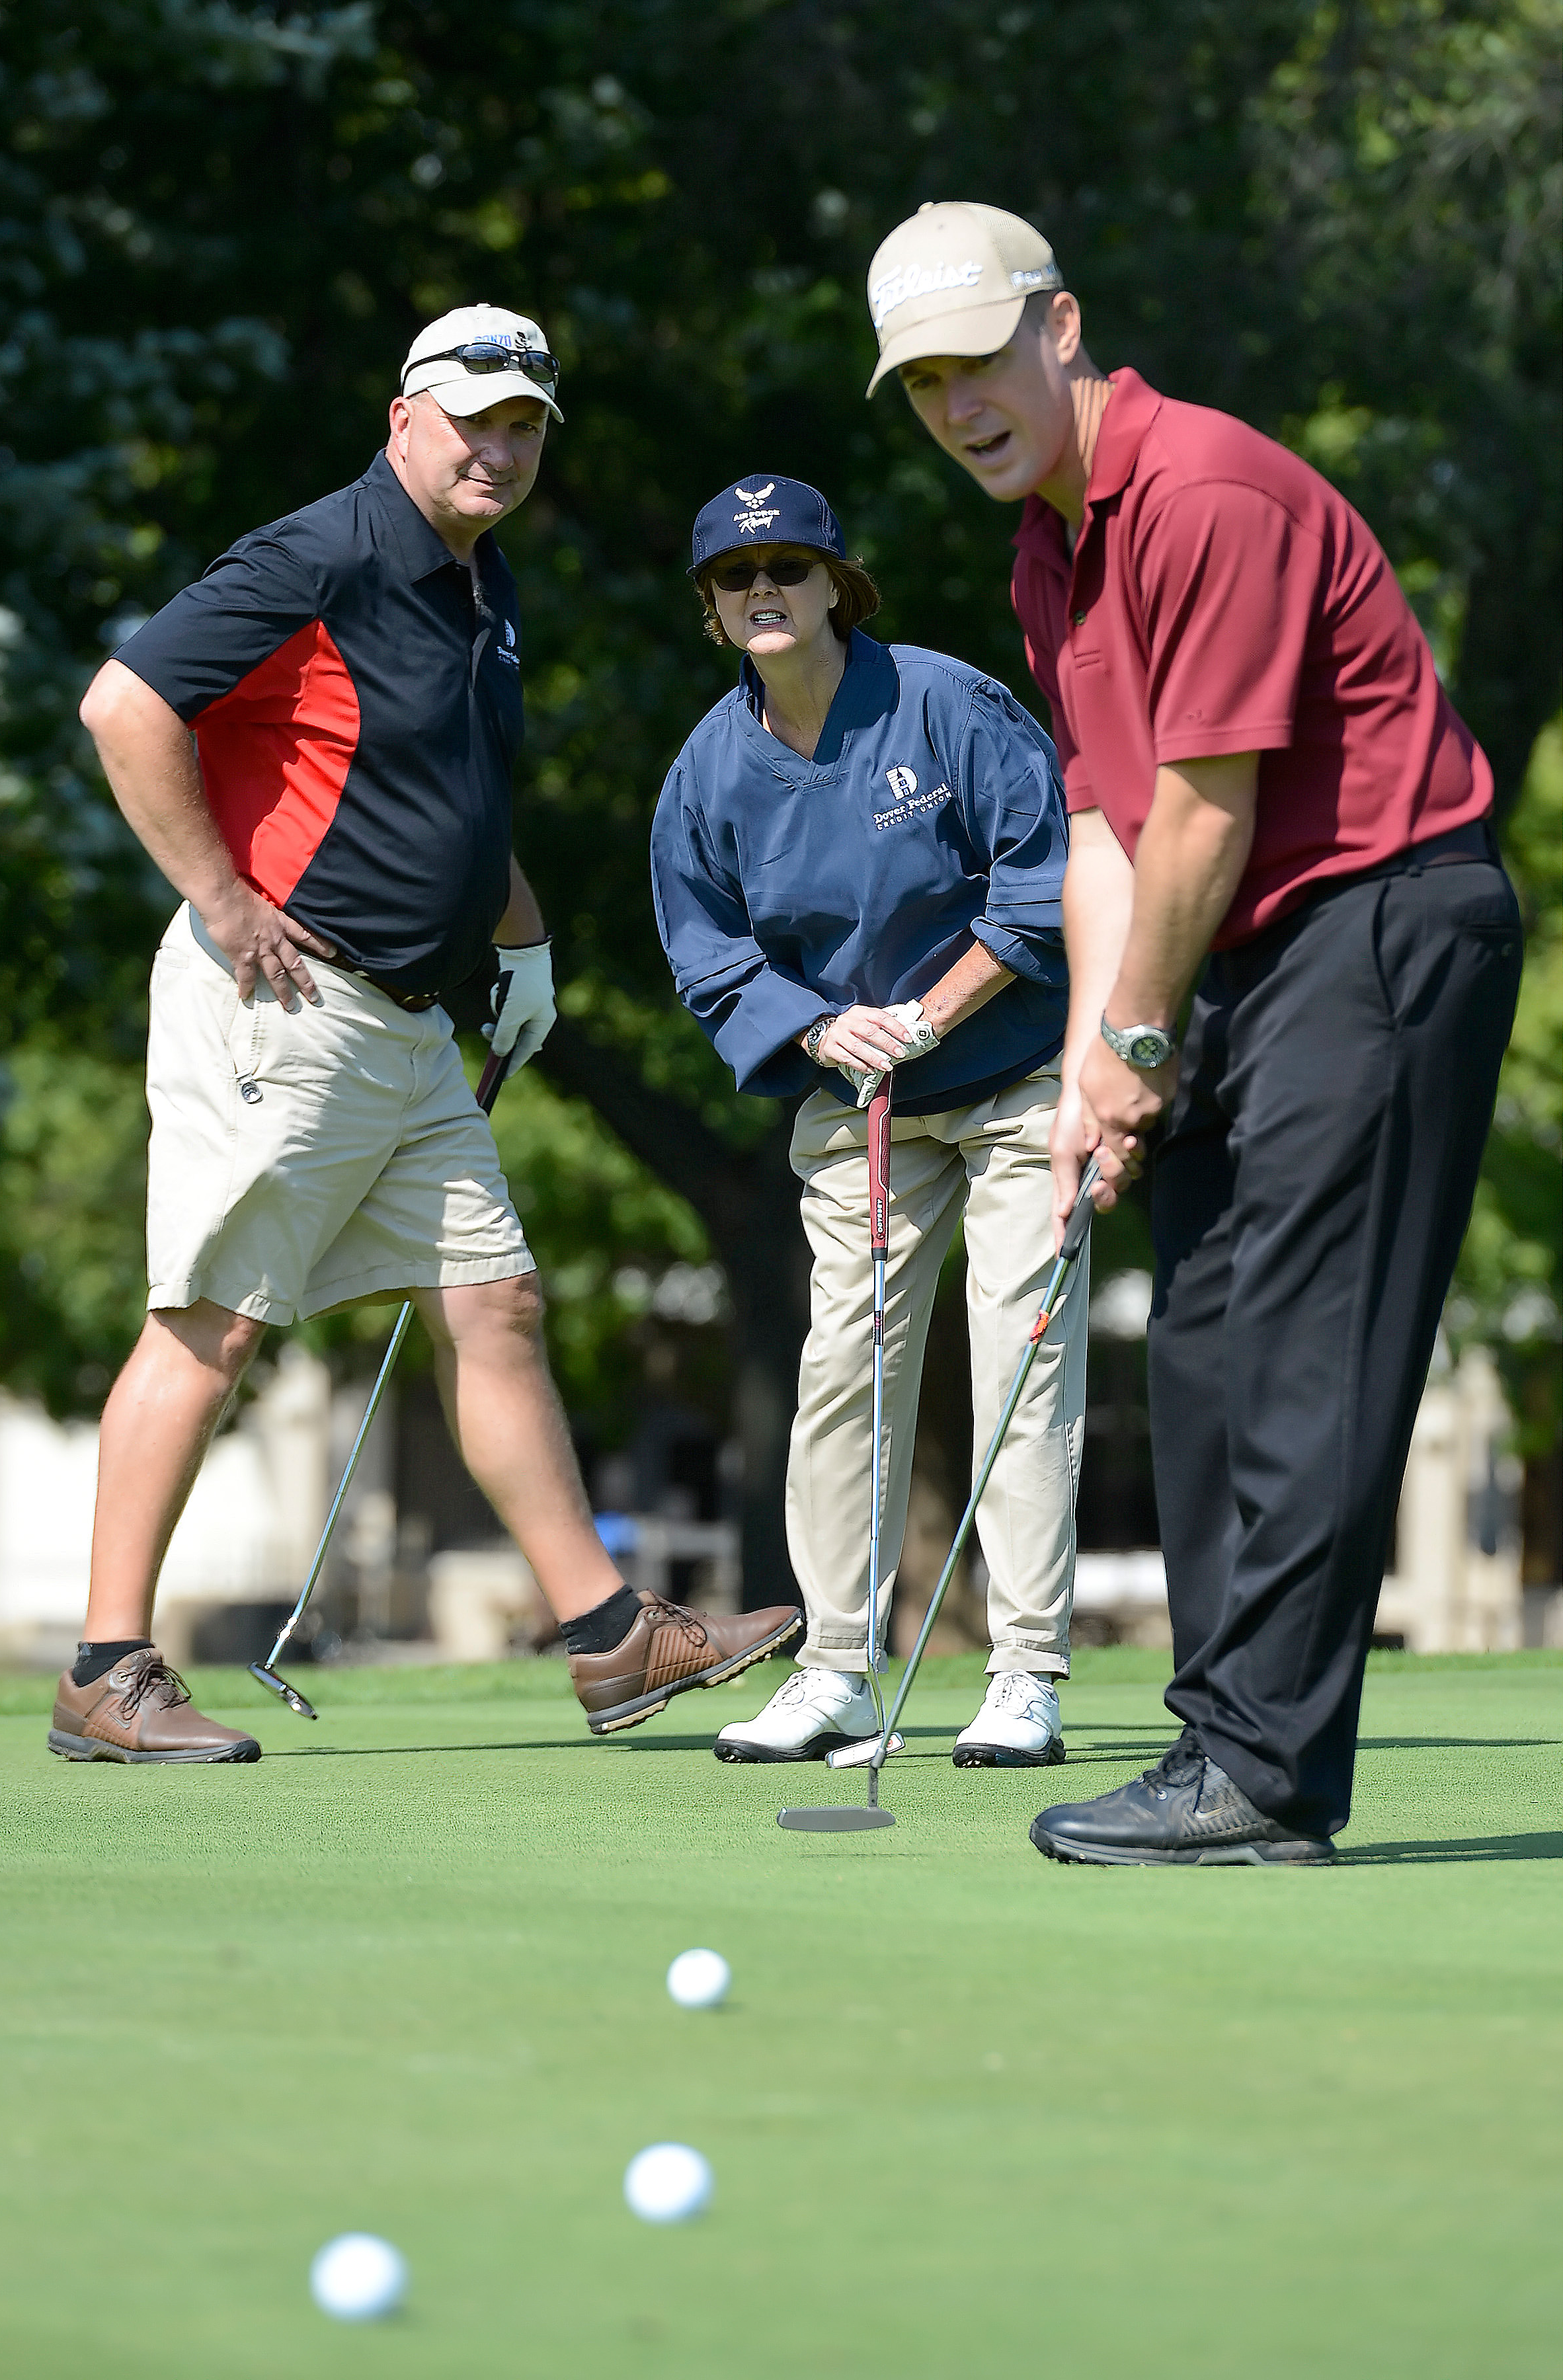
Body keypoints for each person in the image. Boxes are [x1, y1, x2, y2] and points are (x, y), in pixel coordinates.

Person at [865, 200, 1523, 1860]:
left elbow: (1210, 813)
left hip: (1381, 921)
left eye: (977, 360)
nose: (957, 407)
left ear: (1062, 328)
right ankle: (1223, 1751)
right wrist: (1093, 1060)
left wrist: (1136, 1042)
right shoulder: (1050, 546)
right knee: (1211, 1347)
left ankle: (1266, 1772)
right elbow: (1104, 828)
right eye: (922, 384)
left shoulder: (1205, 491)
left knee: (1310, 1352)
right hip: (1234, 942)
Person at [53, 304, 797, 1766]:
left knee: (495, 1304)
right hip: (285, 997)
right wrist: (220, 894)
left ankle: (605, 1637)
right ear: (404, 418)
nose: (500, 448)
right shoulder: (319, 554)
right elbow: (124, 703)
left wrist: (518, 944)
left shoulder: (483, 584)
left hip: (407, 1022)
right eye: (474, 420)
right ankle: (104, 1667)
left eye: (524, 424)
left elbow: (456, 803)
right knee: (215, 1323)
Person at [651, 473, 1082, 1768]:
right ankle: (835, 1664)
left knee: (1021, 1361)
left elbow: (1039, 884)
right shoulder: (707, 769)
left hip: (1014, 1080)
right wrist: (818, 1028)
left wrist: (935, 1012)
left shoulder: (951, 705)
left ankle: (1026, 1672)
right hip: (858, 1100)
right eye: (736, 578)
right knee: (846, 1367)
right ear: (715, 614)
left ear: (841, 585)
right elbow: (708, 948)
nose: (763, 589)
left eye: (788, 566)